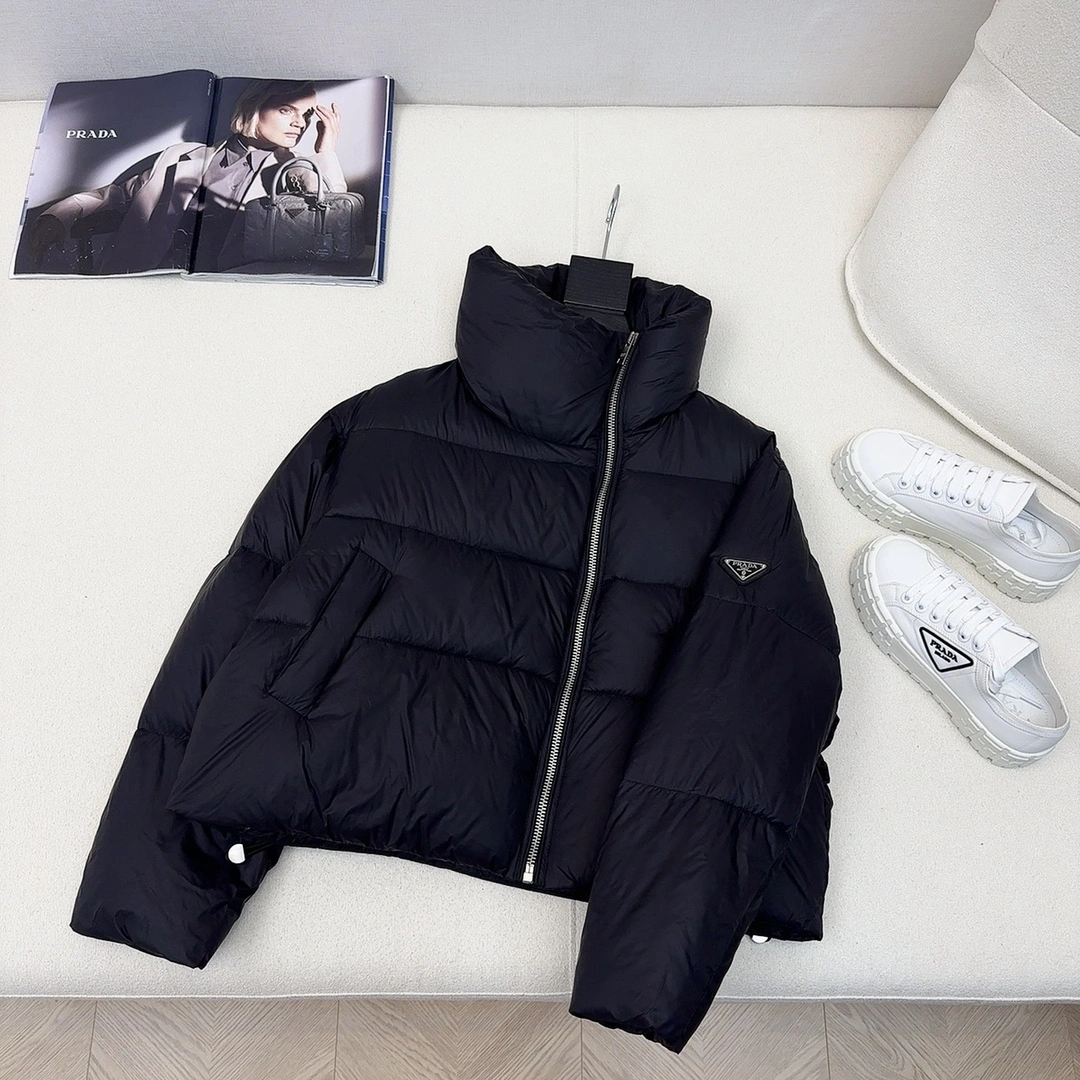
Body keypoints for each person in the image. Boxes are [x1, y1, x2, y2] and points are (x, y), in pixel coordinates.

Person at [25, 80, 346, 274]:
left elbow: (334, 215)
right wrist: (56, 216)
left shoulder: (295, 170)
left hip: (228, 298)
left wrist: (325, 151)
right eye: (287, 110)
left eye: (306, 114)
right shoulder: (179, 157)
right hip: (142, 283)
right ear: (254, 107)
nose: (300, 123)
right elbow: (113, 196)